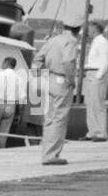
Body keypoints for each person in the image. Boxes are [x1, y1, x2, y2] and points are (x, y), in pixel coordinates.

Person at [34, 18, 81, 165]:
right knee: (59, 118)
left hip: (49, 79)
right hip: (62, 80)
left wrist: (39, 75)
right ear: (77, 30)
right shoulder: (71, 41)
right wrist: (71, 79)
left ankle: (46, 153)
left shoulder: (53, 40)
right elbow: (68, 61)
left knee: (49, 118)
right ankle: (52, 155)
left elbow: (38, 58)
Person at [82, 19, 108, 141]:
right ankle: (92, 131)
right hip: (90, 73)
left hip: (97, 73)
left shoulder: (102, 42)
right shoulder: (95, 42)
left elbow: (106, 61)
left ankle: (101, 133)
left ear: (94, 29)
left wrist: (99, 75)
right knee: (90, 104)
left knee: (98, 104)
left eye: (88, 29)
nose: (86, 31)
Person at [0, 56, 26, 145]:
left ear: (6, 63)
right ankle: (1, 150)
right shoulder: (19, 78)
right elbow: (22, 98)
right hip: (11, 106)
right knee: (4, 132)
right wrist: (19, 113)